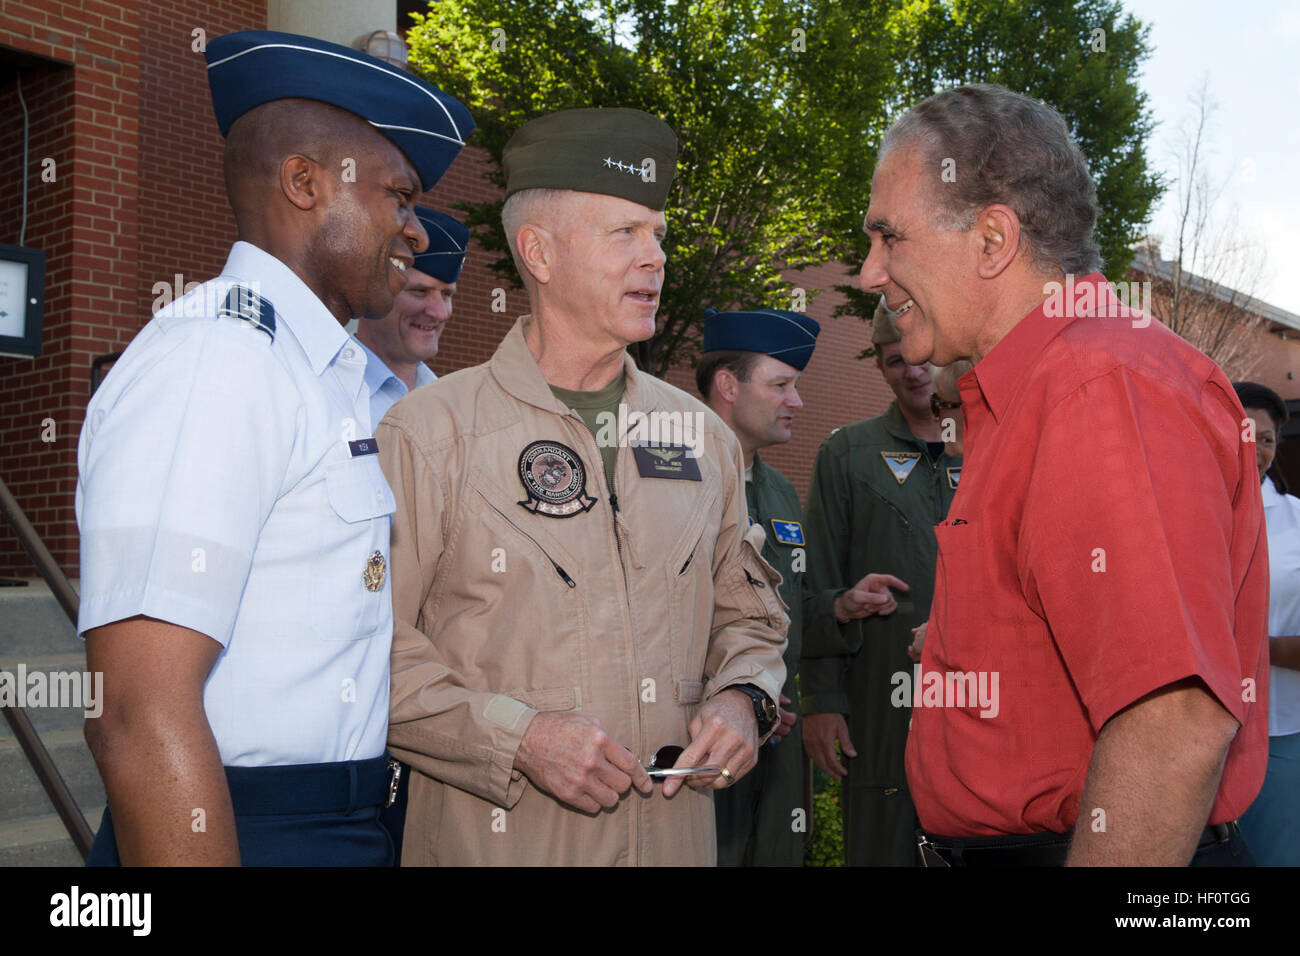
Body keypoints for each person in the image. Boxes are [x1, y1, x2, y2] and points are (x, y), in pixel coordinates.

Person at [74, 29, 472, 866]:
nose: (417, 232)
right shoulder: (216, 360)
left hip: (341, 819)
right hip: (237, 827)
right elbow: (137, 712)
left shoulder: (320, 372)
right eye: (398, 199)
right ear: (304, 183)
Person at [859, 82, 1267, 866]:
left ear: (991, 240)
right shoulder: (1039, 387)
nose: (873, 272)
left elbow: (1173, 721)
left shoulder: (1098, 385)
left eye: (889, 237)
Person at [375, 107, 789, 866]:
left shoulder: (701, 438)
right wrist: (519, 738)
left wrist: (742, 699)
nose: (655, 258)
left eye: (658, 234)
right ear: (538, 252)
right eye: (624, 233)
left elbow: (750, 618)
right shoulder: (429, 434)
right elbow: (370, 653)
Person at [800, 300, 960, 866]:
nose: (912, 372)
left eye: (921, 358)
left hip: (980, 701)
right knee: (884, 847)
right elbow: (816, 585)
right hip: (879, 698)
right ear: (879, 367)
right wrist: (821, 700)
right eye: (895, 362)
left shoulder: (998, 448)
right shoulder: (849, 454)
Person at [696, 307, 829, 866]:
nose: (796, 402)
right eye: (781, 385)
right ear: (728, 385)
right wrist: (741, 695)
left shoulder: (777, 491)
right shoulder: (671, 479)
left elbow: (787, 610)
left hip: (775, 753)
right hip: (703, 745)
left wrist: (842, 604)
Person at [1234, 382, 1300, 866]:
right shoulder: (1176, 514)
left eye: (1268, 438)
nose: (1255, 449)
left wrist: (1257, 648)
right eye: (1243, 432)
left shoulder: (1297, 521)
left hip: (1283, 729)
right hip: (1191, 729)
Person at [357, 206, 469, 426]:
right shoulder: (326, 389)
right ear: (372, 291)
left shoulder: (454, 408)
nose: (440, 312)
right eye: (419, 291)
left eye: (446, 294)